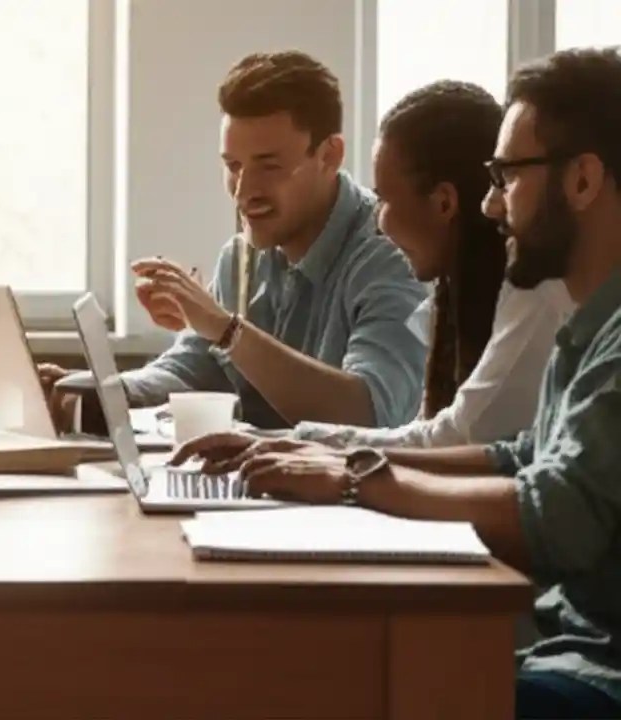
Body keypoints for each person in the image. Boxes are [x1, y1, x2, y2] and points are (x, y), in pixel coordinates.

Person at [177, 48, 621, 719]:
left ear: (583, 180)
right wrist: (345, 461)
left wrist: (360, 481)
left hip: (596, 676)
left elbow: (559, 515)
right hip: (562, 653)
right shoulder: (585, 331)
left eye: (506, 177)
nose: (490, 205)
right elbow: (521, 454)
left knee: (314, 688)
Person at [40, 51, 428, 431]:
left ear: (329, 155)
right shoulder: (242, 258)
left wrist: (227, 331)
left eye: (269, 165)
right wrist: (104, 393)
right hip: (266, 487)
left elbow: (374, 415)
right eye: (233, 166)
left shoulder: (392, 255)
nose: (244, 191)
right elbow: (193, 370)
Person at [289, 81, 571, 449]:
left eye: (384, 200)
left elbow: (456, 441)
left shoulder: (532, 291)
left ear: (443, 203)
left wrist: (308, 445)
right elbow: (431, 431)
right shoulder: (454, 296)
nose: (378, 221)